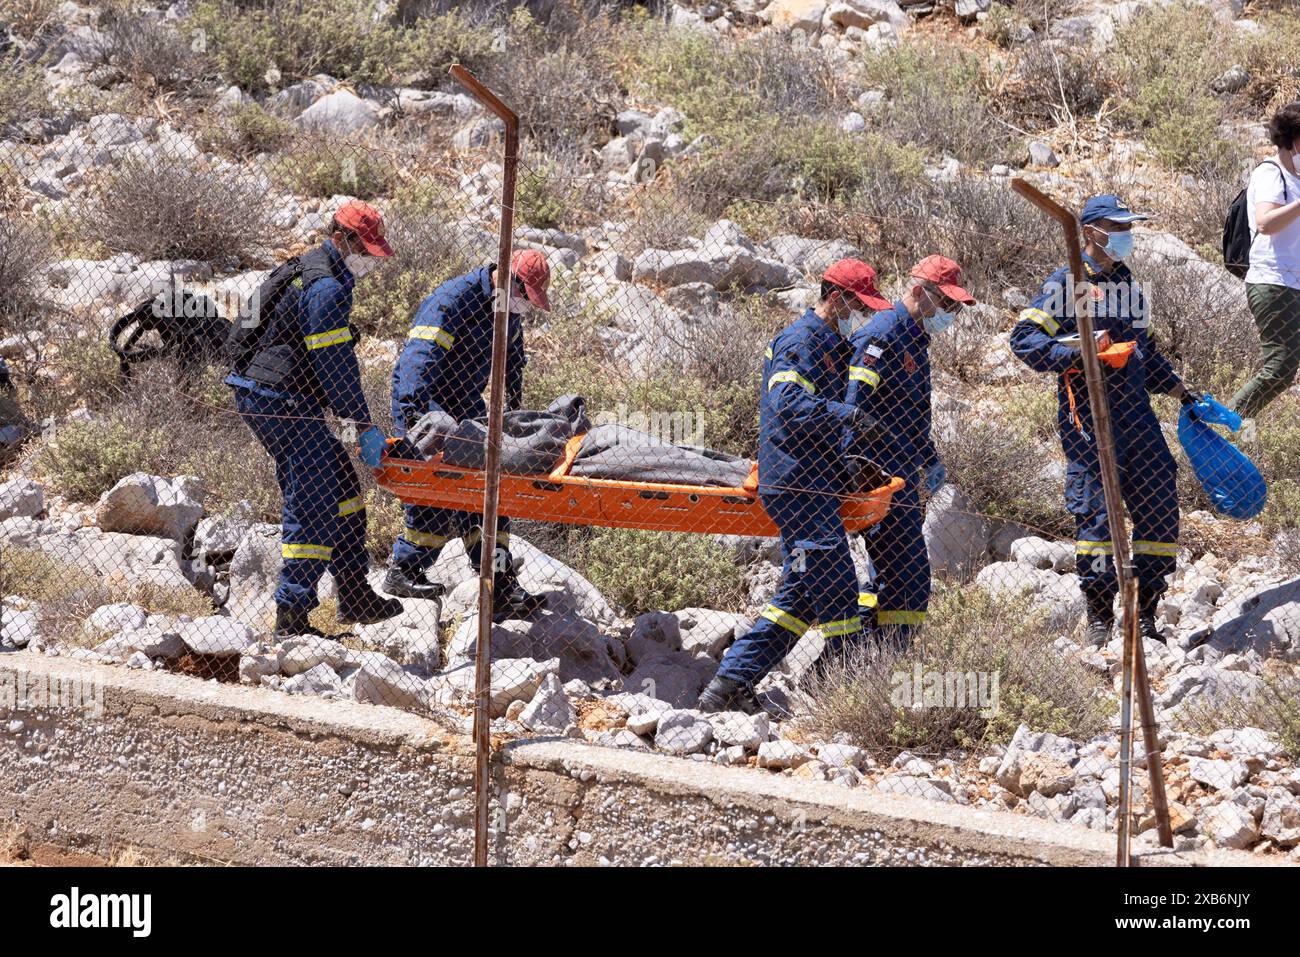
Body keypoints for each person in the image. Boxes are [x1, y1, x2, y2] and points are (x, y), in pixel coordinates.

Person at [697, 259, 887, 714]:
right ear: (837, 298)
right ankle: (844, 689)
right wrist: (849, 417)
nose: (862, 314)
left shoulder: (832, 345)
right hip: (797, 483)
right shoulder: (801, 340)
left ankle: (727, 687)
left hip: (812, 482)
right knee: (837, 584)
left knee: (800, 594)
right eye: (859, 305)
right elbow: (787, 402)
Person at [1010, 195, 1197, 646]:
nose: (1126, 236)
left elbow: (1145, 354)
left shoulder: (1129, 285)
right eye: (1117, 227)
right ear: (1091, 231)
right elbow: (1023, 340)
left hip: (1139, 421)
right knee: (1095, 523)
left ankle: (1145, 611)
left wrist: (1182, 392)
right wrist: (1078, 351)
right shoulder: (1066, 282)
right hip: (1088, 425)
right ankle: (1098, 615)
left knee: (1159, 513)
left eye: (1128, 227)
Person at [227, 200, 402, 639]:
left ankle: (355, 594)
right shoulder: (326, 288)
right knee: (315, 494)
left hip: (269, 393)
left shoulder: (309, 267)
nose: (368, 261)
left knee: (344, 488)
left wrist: (353, 426)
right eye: (365, 249)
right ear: (342, 239)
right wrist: (363, 426)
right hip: (279, 399)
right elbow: (336, 367)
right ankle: (292, 616)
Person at [381, 249, 550, 621]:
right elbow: (417, 360)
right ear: (506, 278)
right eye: (524, 297)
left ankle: (500, 584)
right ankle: (403, 572)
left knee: (490, 490)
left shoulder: (505, 306)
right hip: (426, 403)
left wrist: (513, 411)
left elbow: (513, 357)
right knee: (434, 492)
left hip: (466, 404)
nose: (524, 306)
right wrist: (414, 417)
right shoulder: (451, 301)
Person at [845, 256, 976, 650]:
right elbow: (854, 404)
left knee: (899, 571)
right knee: (905, 571)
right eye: (947, 304)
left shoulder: (916, 340)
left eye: (954, 307)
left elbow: (913, 412)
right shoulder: (884, 335)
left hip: (902, 470)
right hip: (876, 472)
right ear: (920, 292)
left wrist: (929, 457)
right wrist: (856, 466)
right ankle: (871, 654)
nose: (950, 314)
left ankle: (875, 652)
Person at [1229, 101, 1300, 419]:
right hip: (1274, 283)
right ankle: (1228, 425)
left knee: (1283, 367)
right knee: (1281, 367)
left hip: (1292, 281)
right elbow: (1265, 222)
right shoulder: (1270, 174)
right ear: (1295, 140)